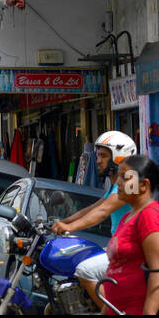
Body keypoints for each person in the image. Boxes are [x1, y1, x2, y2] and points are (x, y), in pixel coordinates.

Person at [52, 130, 137, 308]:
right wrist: (64, 221)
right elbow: (93, 208)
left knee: (84, 271)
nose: (97, 161)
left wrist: (71, 227)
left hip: (130, 251)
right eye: (98, 156)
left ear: (119, 157)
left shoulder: (129, 183)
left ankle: (112, 312)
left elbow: (103, 211)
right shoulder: (115, 185)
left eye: (103, 156)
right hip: (119, 246)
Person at [101, 156, 159, 316]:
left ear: (143, 185)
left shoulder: (150, 217)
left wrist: (149, 312)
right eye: (119, 176)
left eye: (125, 178)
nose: (118, 183)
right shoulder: (128, 217)